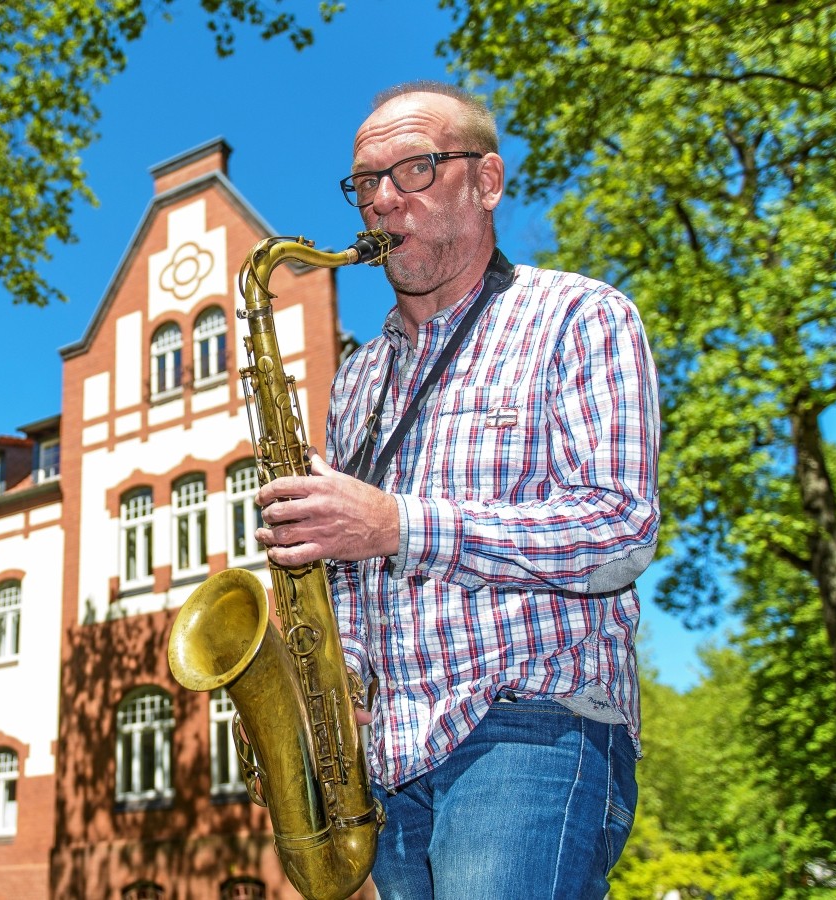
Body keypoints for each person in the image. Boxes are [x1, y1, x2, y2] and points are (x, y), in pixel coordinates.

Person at [254, 81, 660, 899]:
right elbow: (355, 575)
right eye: (366, 183)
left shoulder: (580, 315)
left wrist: (400, 524)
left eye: (414, 170)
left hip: (533, 728)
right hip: (390, 768)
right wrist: (338, 697)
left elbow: (620, 531)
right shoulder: (360, 377)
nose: (381, 200)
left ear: (487, 182)